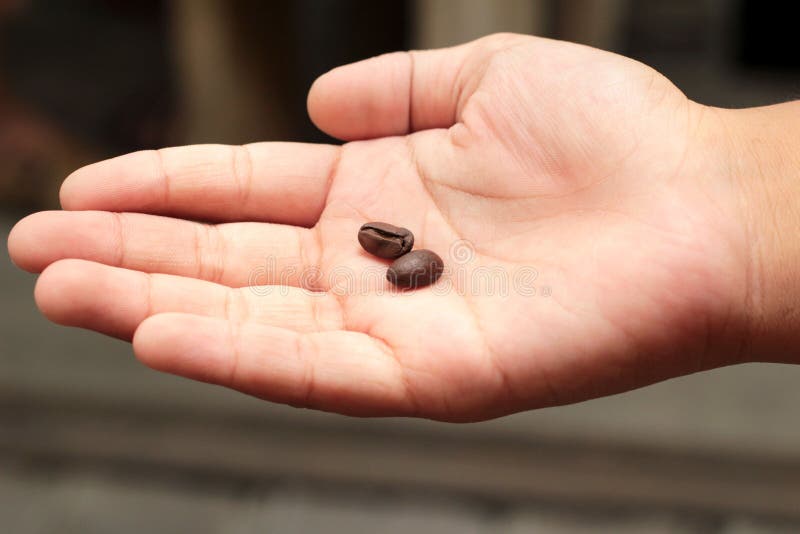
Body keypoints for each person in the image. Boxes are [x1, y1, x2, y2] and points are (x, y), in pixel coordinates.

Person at [7, 34, 799, 421]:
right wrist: (729, 194)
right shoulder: (407, 252)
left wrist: (726, 191)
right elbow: (403, 255)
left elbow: (406, 258)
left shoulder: (411, 255)